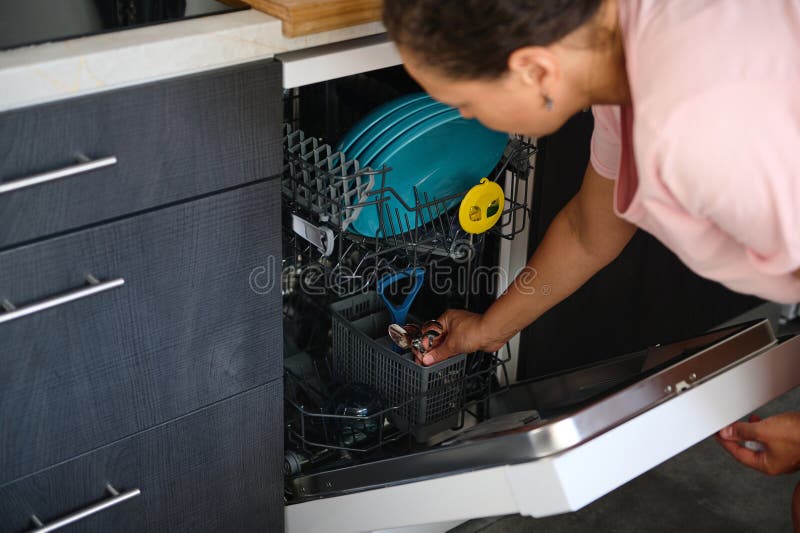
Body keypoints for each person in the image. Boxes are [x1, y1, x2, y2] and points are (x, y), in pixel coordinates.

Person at [382, 0, 800, 527]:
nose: (465, 116)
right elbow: (588, 229)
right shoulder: (624, 49)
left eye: (463, 101)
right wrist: (486, 332)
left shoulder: (697, 130)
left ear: (535, 69)